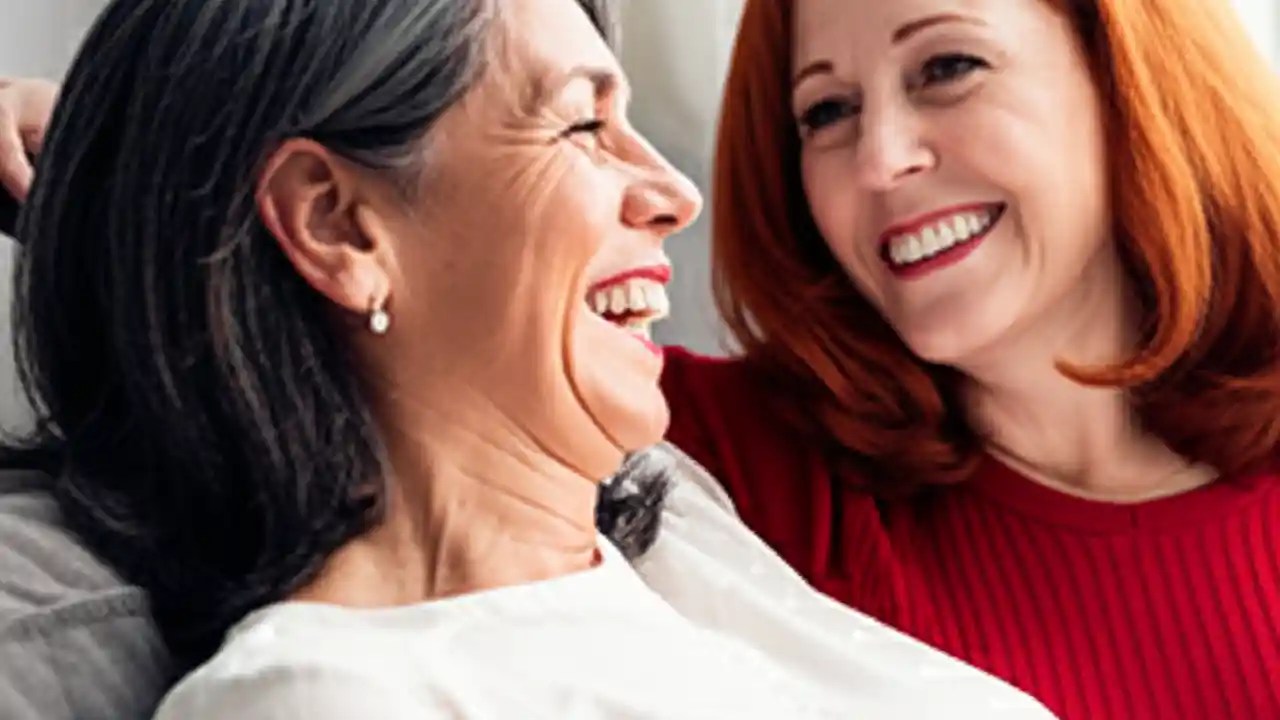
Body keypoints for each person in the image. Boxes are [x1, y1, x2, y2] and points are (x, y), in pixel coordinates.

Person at [0, 0, 1057, 718]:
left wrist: (125, 167)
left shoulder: (669, 539)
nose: (675, 195)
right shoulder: (333, 694)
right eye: (583, 126)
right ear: (336, 223)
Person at [658, 0, 1280, 718]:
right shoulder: (729, 461)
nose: (879, 160)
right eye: (827, 111)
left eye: (948, 68)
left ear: (1123, 74)